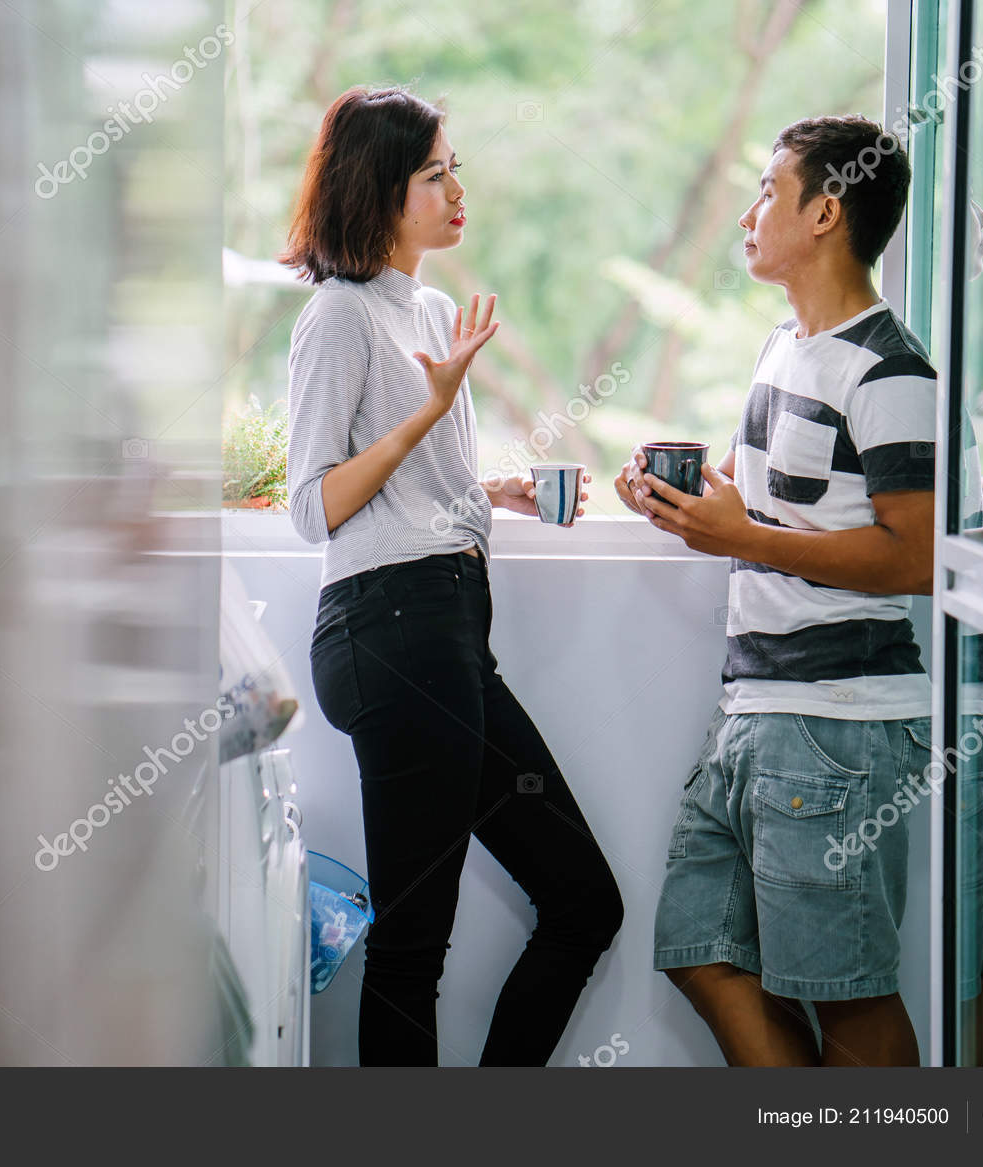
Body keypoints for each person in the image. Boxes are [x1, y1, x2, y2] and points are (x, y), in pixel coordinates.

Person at [282, 84, 623, 1067]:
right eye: (434, 174)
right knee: (411, 949)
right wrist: (427, 418)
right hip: (391, 630)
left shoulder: (424, 308)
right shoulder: (339, 318)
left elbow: (404, 486)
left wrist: (491, 488)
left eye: (453, 168)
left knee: (582, 901)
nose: (455, 188)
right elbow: (315, 506)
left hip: (443, 630)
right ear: (380, 192)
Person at [615, 115, 950, 1066]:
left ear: (825, 213)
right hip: (753, 712)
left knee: (847, 999)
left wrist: (743, 533)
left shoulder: (891, 371)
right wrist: (677, 497)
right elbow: (754, 501)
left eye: (769, 190)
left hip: (838, 725)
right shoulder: (783, 347)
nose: (749, 213)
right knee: (698, 947)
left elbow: (916, 557)